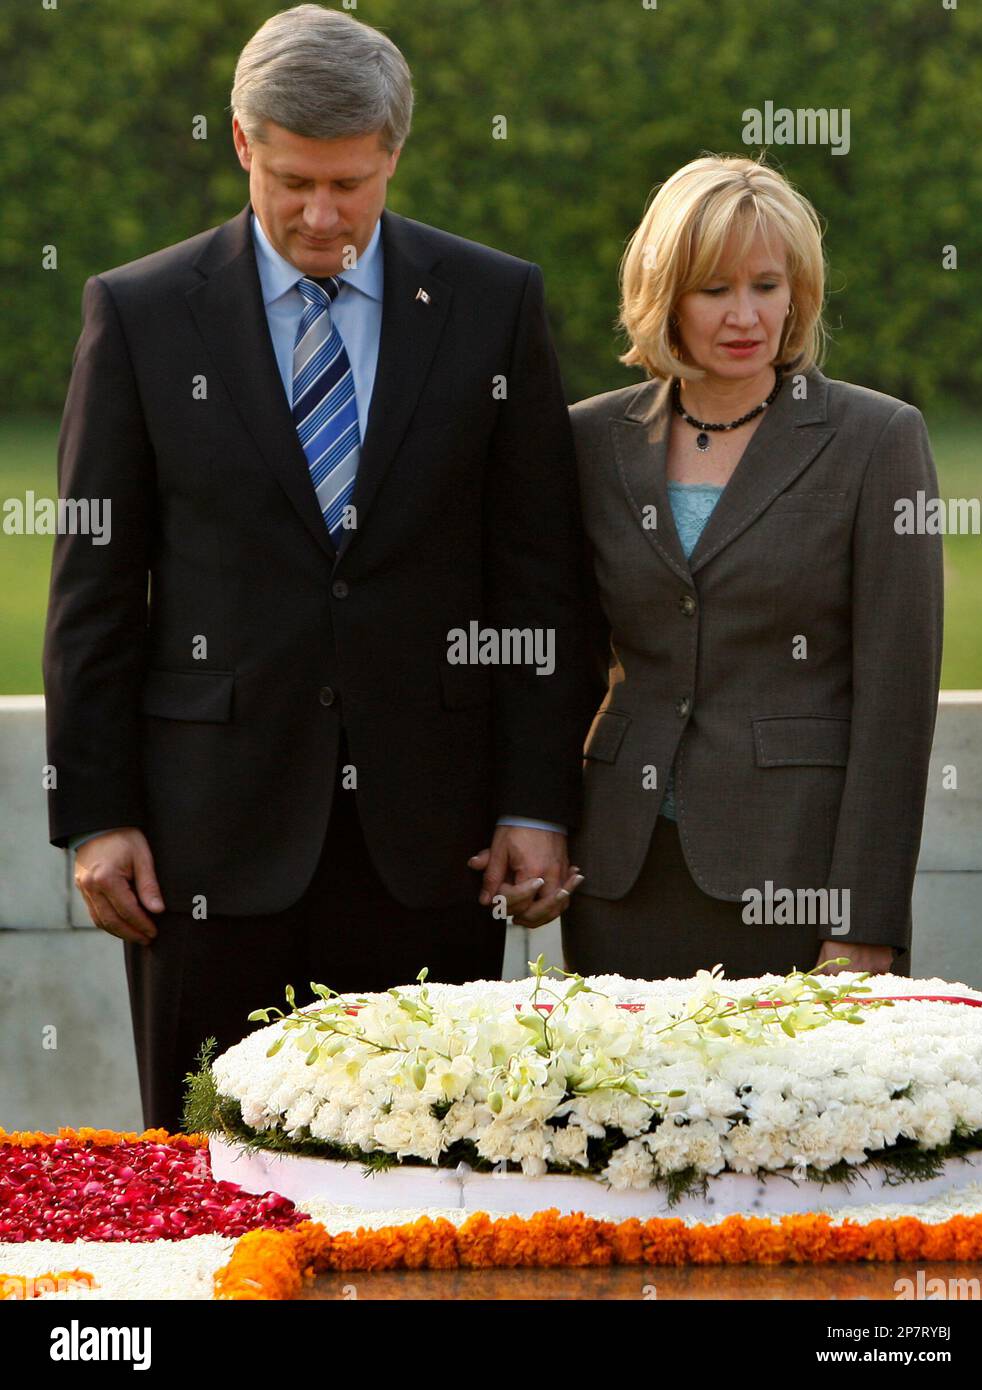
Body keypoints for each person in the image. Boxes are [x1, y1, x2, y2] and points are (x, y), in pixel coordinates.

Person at [42, 5, 600, 1130]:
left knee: (425, 1179)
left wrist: (537, 798)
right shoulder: (139, 313)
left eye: (350, 182)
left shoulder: (494, 306)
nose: (320, 213)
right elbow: (95, 590)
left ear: (394, 150)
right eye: (292, 178)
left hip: (432, 842)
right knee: (208, 1173)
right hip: (202, 846)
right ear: (242, 142)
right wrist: (94, 813)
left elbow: (541, 580)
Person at [562, 154, 943, 981]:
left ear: (796, 291)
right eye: (713, 290)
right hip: (619, 877)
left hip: (795, 883)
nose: (745, 316)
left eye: (766, 285)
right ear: (665, 296)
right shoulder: (589, 441)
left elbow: (896, 700)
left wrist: (863, 919)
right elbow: (557, 668)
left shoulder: (875, 439)